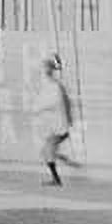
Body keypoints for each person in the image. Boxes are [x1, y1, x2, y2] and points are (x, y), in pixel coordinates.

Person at [35, 53, 77, 186]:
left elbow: (53, 103)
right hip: (56, 125)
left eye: (47, 68)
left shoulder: (54, 85)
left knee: (47, 152)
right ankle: (63, 160)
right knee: (47, 151)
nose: (45, 71)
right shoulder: (54, 84)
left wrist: (39, 108)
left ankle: (56, 179)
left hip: (58, 126)